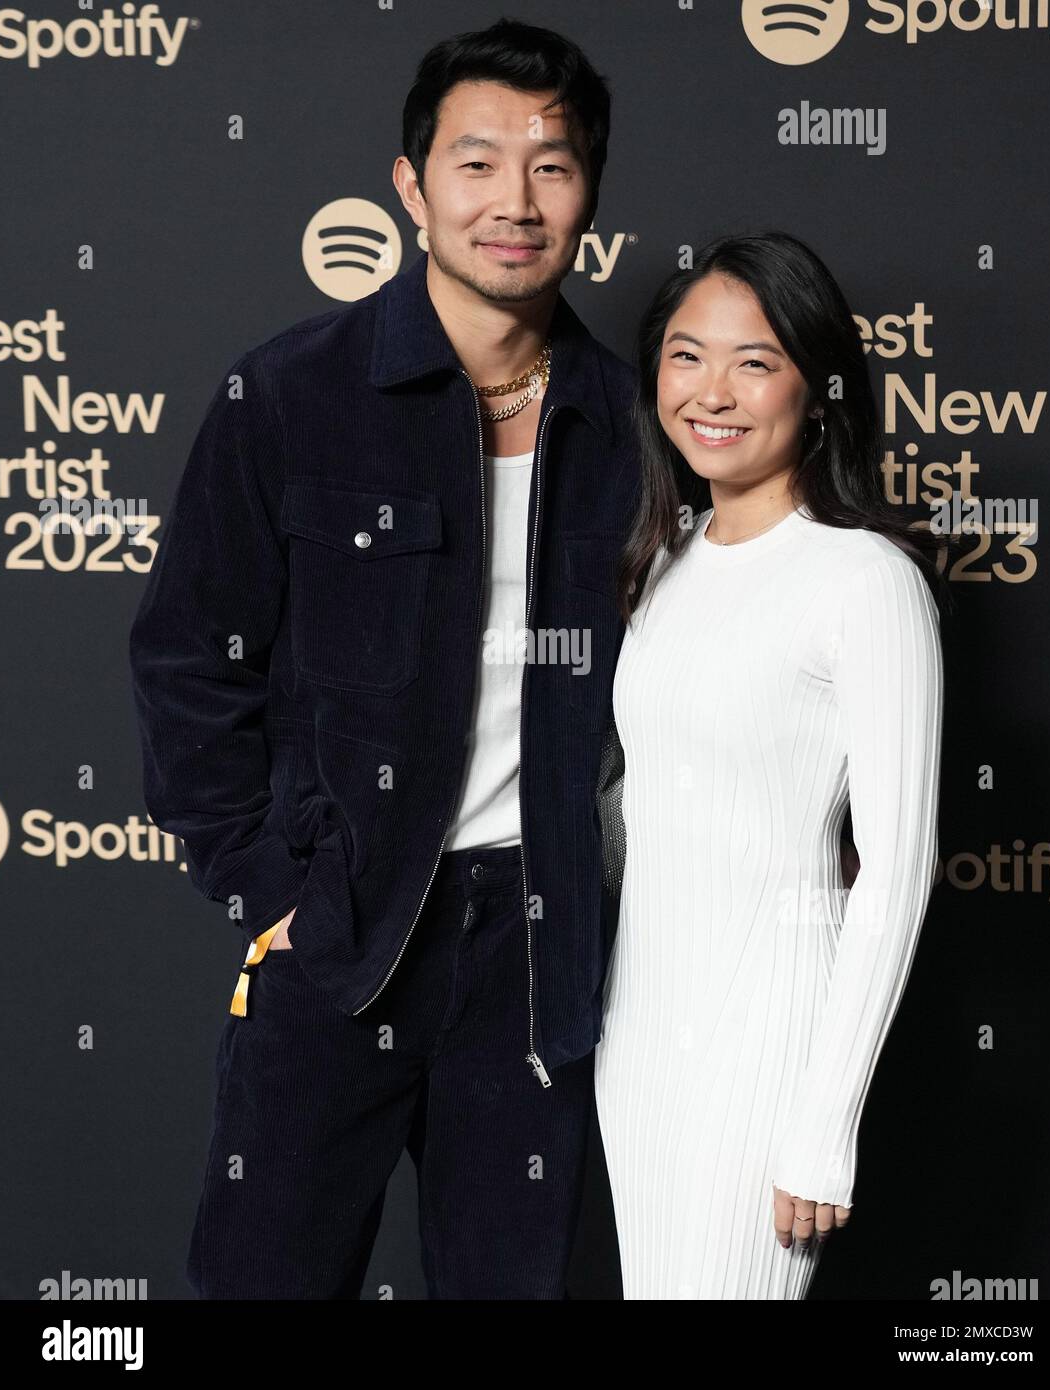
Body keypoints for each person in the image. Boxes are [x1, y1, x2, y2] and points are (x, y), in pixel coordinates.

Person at [128, 18, 640, 1299]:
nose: (513, 201)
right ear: (411, 188)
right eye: (476, 162)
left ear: (589, 193)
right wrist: (270, 890)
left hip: (541, 956)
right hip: (339, 932)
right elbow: (188, 657)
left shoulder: (638, 425)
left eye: (550, 164)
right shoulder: (288, 395)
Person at [593, 231, 948, 1299]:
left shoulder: (865, 580)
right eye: (685, 355)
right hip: (635, 1040)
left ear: (818, 389)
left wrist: (823, 1119)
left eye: (753, 362)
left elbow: (895, 873)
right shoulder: (663, 557)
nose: (712, 392)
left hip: (767, 1048)